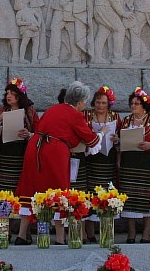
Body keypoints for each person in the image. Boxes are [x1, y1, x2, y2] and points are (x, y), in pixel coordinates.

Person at [16, 81, 100, 245]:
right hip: (54, 151)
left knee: (32, 188)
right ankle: (60, 238)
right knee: (58, 190)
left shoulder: (53, 109)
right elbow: (91, 140)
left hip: (35, 147)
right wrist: (102, 133)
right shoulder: (75, 114)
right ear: (80, 101)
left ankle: (21, 234)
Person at [0, 78, 38, 243]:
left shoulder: (30, 112)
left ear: (20, 95)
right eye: (7, 93)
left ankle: (24, 233)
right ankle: (3, 230)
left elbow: (39, 134)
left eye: (13, 93)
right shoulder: (2, 110)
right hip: (4, 157)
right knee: (3, 194)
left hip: (22, 157)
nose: (9, 96)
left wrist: (28, 135)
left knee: (22, 193)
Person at [118, 87, 150, 244]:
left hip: (147, 164)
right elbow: (121, 140)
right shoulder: (126, 121)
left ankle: (146, 231)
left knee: (148, 198)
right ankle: (131, 231)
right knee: (130, 197)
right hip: (129, 163)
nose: (133, 106)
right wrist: (116, 140)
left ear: (144, 106)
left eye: (137, 104)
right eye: (132, 103)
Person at [83, 86, 120, 243]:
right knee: (91, 193)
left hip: (108, 159)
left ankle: (105, 229)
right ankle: (89, 231)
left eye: (103, 103)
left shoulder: (115, 117)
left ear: (108, 104)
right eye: (98, 102)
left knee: (106, 193)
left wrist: (117, 139)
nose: (100, 106)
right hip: (91, 159)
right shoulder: (86, 115)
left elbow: (121, 136)